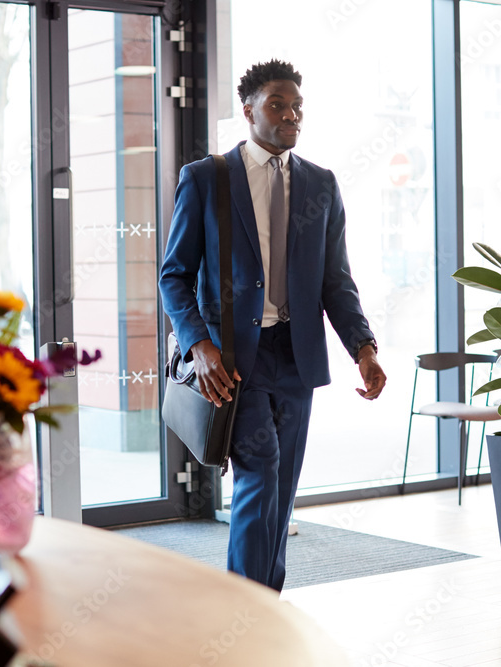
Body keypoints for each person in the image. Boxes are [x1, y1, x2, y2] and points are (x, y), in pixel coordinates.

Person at [159, 59, 386, 592]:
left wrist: (364, 348)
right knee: (259, 476)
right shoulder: (208, 179)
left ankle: (264, 601)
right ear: (249, 111)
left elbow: (335, 280)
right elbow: (174, 276)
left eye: (297, 106)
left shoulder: (321, 185)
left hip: (297, 356)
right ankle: (247, 606)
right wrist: (198, 345)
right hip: (235, 360)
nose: (291, 115)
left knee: (282, 489)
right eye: (278, 105)